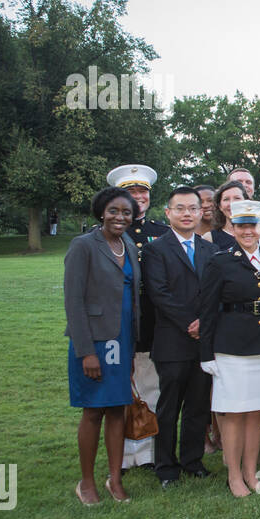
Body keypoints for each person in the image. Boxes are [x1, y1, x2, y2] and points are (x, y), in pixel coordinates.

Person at [198, 199, 260, 497]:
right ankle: (234, 475)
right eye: (241, 226)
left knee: (257, 412)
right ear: (233, 228)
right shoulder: (219, 261)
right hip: (232, 349)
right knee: (234, 413)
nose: (248, 231)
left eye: (253, 226)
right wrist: (206, 354)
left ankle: (251, 471)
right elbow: (207, 310)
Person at [64, 187, 140, 504]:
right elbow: (73, 302)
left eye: (126, 212)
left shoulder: (129, 246)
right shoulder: (83, 246)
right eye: (113, 211)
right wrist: (87, 352)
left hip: (122, 340)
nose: (120, 217)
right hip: (94, 342)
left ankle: (115, 479)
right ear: (101, 213)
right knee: (93, 411)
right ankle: (86, 482)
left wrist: (132, 348)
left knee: (118, 411)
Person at [141, 186, 217, 489]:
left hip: (203, 342)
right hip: (172, 341)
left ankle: (192, 460)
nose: (187, 214)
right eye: (180, 208)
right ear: (168, 213)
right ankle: (165, 466)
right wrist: (189, 322)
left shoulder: (211, 250)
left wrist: (205, 322)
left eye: (193, 208)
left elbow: (214, 292)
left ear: (201, 213)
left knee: (198, 406)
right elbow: (159, 293)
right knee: (169, 407)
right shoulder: (155, 249)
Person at [108, 164, 170, 471]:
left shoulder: (161, 232)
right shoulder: (107, 234)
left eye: (142, 191)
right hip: (117, 324)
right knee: (119, 392)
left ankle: (146, 453)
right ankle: (120, 454)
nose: (138, 197)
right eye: (131, 192)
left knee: (150, 388)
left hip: (152, 323)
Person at [208, 180, 249, 251]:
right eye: (226, 199)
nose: (232, 203)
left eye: (237, 198)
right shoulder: (209, 238)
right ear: (220, 206)